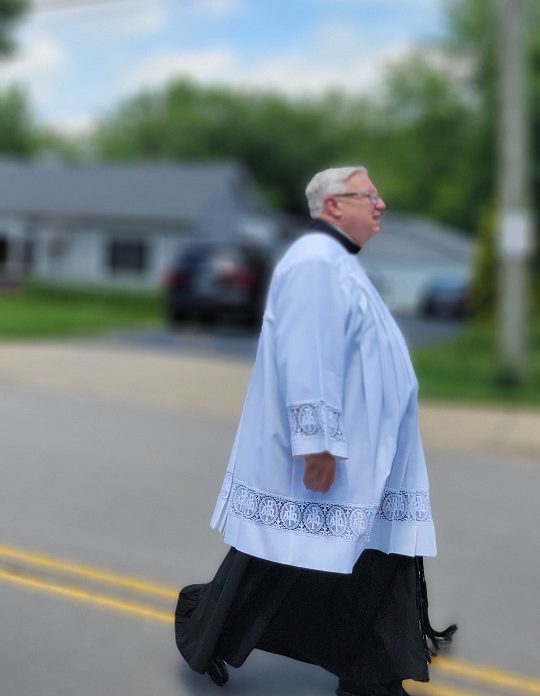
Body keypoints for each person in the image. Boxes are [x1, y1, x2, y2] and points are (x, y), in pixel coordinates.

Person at [175, 167, 455, 696]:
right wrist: (317, 443)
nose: (381, 204)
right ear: (333, 206)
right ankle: (202, 626)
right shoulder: (313, 265)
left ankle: (368, 675)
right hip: (335, 454)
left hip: (370, 456)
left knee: (355, 560)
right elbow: (306, 354)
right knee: (288, 562)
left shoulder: (338, 265)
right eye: (368, 195)